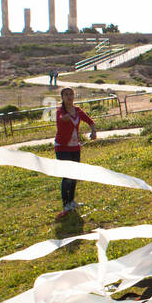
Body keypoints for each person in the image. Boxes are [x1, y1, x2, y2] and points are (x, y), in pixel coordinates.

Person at [53, 87, 97, 218]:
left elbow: (90, 121)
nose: (69, 97)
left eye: (71, 94)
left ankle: (72, 201)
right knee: (67, 176)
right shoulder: (60, 111)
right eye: (66, 95)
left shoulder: (77, 110)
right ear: (62, 97)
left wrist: (93, 131)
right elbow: (61, 119)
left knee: (75, 174)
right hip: (62, 147)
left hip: (75, 147)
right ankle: (65, 204)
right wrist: (64, 118)